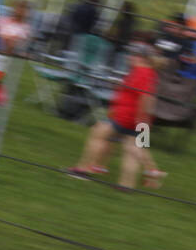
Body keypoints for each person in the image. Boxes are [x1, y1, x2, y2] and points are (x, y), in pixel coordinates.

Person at [68, 43, 165, 190]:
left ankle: (83, 170)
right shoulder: (149, 73)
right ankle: (127, 185)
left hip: (128, 117)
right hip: (138, 119)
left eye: (131, 54)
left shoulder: (142, 73)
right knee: (132, 150)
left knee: (97, 133)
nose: (128, 57)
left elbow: (146, 97)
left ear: (139, 57)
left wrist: (140, 118)